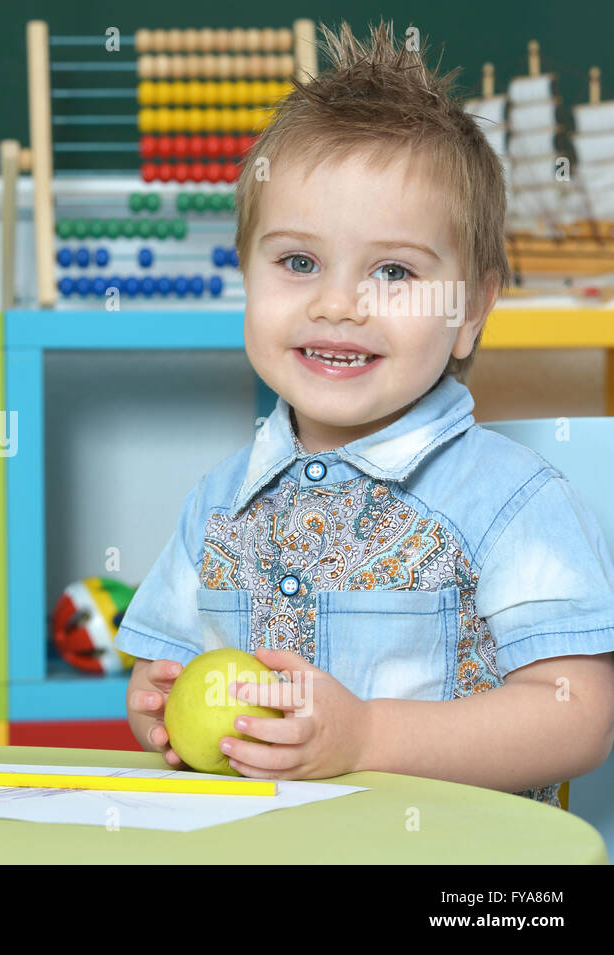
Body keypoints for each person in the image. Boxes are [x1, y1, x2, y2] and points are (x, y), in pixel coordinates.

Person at [115, 20, 614, 806]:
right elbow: (162, 665)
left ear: (471, 310)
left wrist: (369, 738)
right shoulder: (220, 502)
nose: (337, 302)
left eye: (392, 269)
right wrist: (159, 707)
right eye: (299, 261)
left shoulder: (512, 503)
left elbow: (577, 714)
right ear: (246, 272)